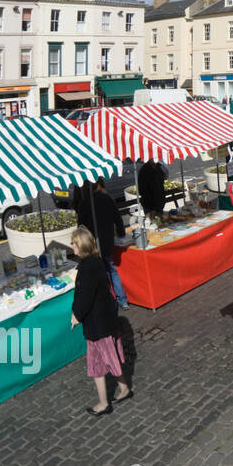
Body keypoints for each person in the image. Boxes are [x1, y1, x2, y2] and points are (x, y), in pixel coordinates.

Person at [69, 227, 132, 415]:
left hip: (99, 325)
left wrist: (76, 316)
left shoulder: (88, 268)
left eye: (73, 243)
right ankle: (107, 400)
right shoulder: (95, 263)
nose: (71, 246)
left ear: (81, 245)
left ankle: (122, 390)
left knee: (108, 359)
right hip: (100, 323)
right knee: (97, 363)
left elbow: (85, 297)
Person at [76, 178, 130, 309]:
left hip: (93, 244)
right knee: (112, 270)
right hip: (107, 241)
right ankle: (122, 300)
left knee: (102, 273)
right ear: (98, 186)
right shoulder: (106, 199)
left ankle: (110, 302)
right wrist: (121, 232)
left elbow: (80, 227)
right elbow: (117, 217)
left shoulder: (84, 204)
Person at [136, 159, 168, 223]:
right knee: (153, 225)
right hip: (150, 206)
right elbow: (142, 190)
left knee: (160, 225)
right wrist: (153, 207)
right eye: (153, 158)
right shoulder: (144, 170)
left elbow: (162, 181)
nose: (155, 159)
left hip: (159, 204)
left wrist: (162, 200)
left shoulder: (159, 167)